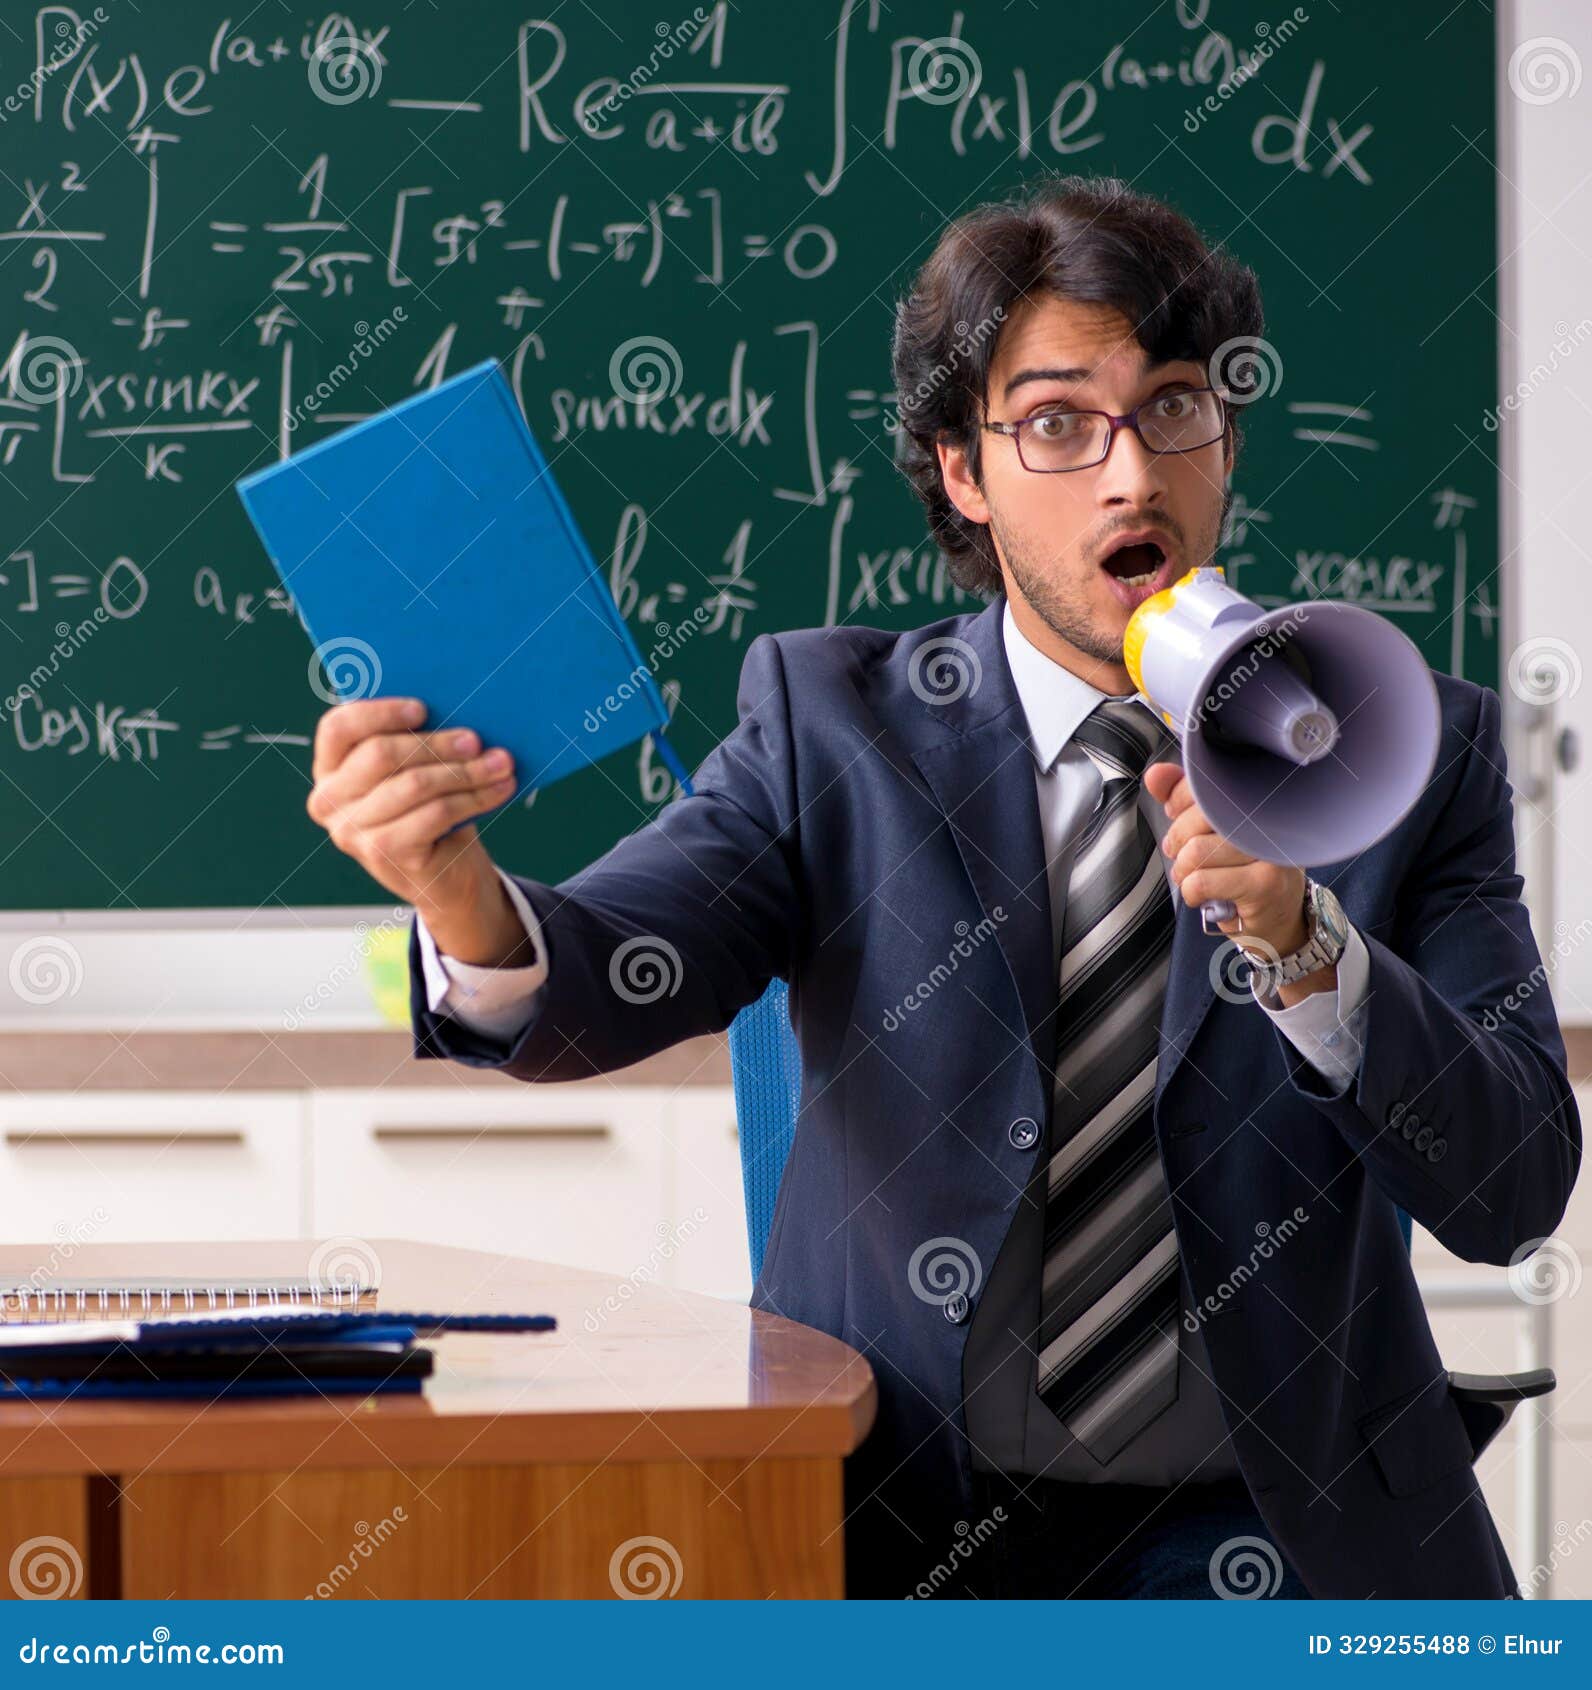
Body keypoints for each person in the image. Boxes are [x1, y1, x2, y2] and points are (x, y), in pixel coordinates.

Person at [305, 174, 1580, 1599]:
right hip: (906, 1533)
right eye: (1054, 422)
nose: (1130, 475)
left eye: (1173, 404)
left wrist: (1309, 947)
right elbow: (601, 971)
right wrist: (453, 885)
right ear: (962, 470)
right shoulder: (830, 725)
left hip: (1283, 1536)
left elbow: (1513, 1179)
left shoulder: (1405, 742)